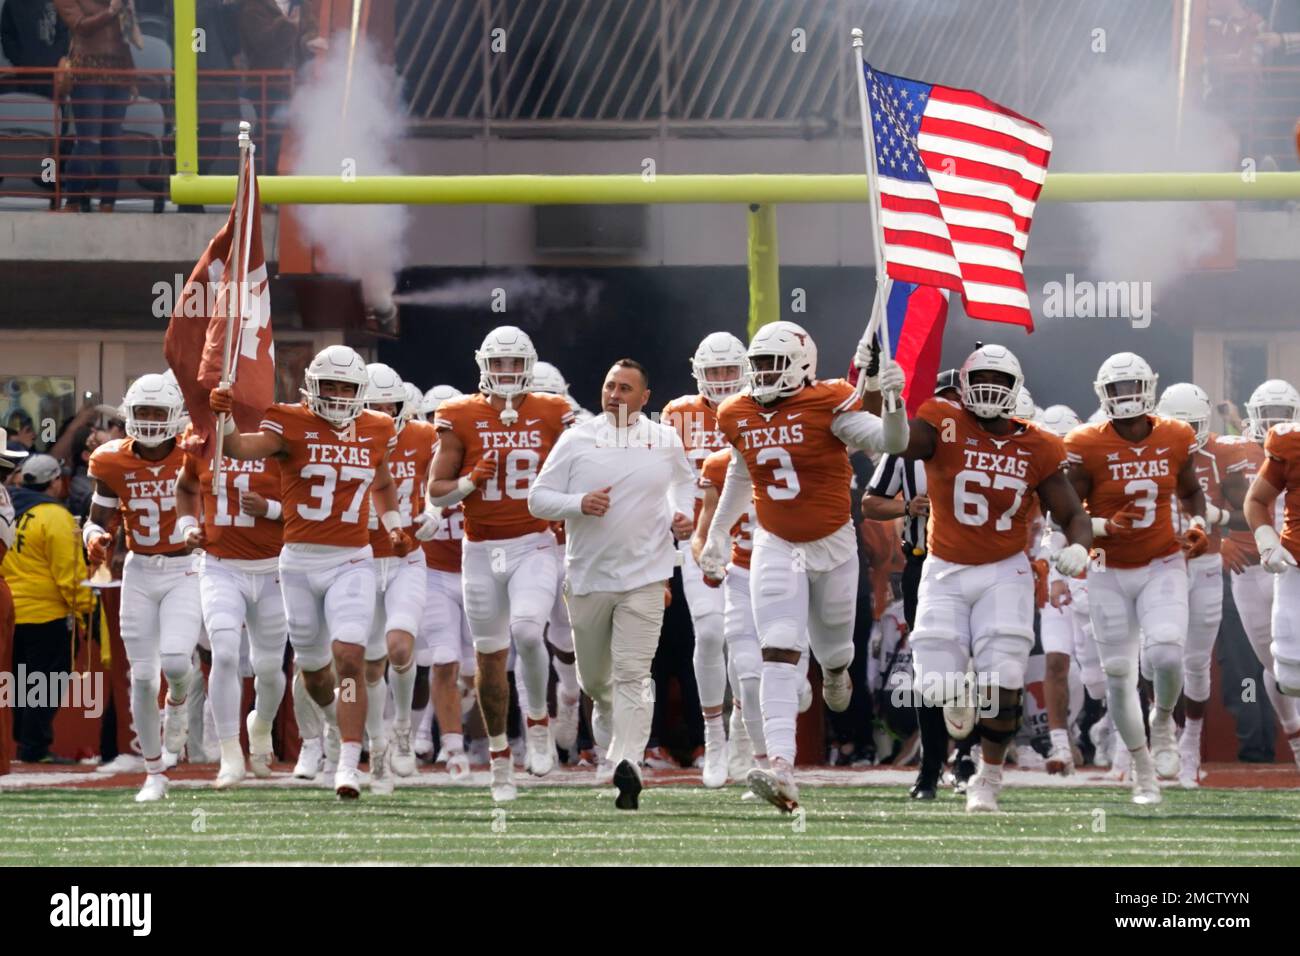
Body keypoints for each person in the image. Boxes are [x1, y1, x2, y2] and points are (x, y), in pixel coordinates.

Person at [699, 320, 908, 812]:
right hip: (775, 543)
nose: (765, 374)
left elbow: (890, 443)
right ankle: (782, 769)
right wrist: (717, 532)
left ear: (801, 364)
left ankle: (836, 670)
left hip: (834, 546)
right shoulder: (738, 411)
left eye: (775, 363)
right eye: (760, 364)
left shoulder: (828, 402)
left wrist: (892, 400)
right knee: (778, 650)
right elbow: (740, 469)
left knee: (835, 651)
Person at [209, 344, 411, 800]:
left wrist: (394, 524)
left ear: (361, 392)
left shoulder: (378, 426)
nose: (339, 395)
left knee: (351, 658)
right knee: (315, 672)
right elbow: (240, 448)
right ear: (312, 389)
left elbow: (380, 481)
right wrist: (222, 418)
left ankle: (348, 763)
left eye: (347, 387)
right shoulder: (290, 421)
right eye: (331, 386)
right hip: (299, 559)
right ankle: (334, 731)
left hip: (352, 559)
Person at [896, 346, 1093, 813]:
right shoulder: (943, 421)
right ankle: (961, 687)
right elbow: (898, 441)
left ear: (1016, 388)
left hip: (1005, 569)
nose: (989, 387)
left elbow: (1071, 512)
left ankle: (988, 777)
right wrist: (885, 400)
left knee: (1004, 678)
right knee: (935, 684)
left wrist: (1081, 546)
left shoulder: (1039, 444)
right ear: (962, 385)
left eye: (999, 379)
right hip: (943, 567)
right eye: (979, 377)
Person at [529, 358, 697, 810]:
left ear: (645, 398)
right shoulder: (575, 438)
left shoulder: (664, 439)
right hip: (587, 577)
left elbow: (685, 484)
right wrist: (578, 503)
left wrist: (685, 516)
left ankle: (629, 762)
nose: (614, 394)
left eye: (625, 388)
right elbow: (537, 500)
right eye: (609, 386)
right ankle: (612, 745)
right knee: (597, 683)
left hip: (645, 575)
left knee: (632, 674)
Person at [424, 326, 572, 801]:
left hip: (534, 543)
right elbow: (436, 490)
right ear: (483, 366)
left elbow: (583, 465)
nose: (507, 373)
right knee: (489, 660)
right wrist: (470, 482)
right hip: (481, 549)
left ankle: (539, 723)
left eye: (515, 363)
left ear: (529, 366)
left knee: (529, 631)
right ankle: (500, 755)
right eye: (499, 363)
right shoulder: (458, 415)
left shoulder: (554, 412)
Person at [1065, 352, 1207, 805]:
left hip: (1162, 561)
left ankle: (1163, 718)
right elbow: (1069, 513)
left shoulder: (1175, 434)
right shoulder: (1084, 443)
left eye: (1132, 388)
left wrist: (1198, 524)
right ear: (1102, 394)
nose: (1125, 398)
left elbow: (1190, 491)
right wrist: (1102, 528)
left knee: (1166, 653)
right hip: (1107, 569)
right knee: (1121, 673)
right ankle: (1143, 771)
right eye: (1117, 390)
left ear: (1149, 389)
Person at [84, 373, 199, 802]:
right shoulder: (112, 459)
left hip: (186, 568)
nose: (150, 421)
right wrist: (93, 539)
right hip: (139, 569)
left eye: (158, 413)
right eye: (143, 413)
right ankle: (154, 773)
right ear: (129, 415)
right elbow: (96, 517)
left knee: (173, 662)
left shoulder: (194, 452)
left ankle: (181, 701)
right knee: (143, 677)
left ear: (175, 417)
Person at [861, 368, 959, 799]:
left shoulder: (989, 443)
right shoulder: (907, 449)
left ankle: (970, 755)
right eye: (944, 401)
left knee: (982, 665)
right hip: (925, 563)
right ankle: (931, 766)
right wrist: (906, 505)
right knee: (931, 669)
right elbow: (870, 503)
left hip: (980, 566)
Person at [173, 420, 286, 789]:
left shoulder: (278, 436)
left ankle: (262, 725)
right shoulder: (203, 438)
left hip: (272, 567)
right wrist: (188, 526)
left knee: (267, 668)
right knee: (222, 654)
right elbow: (186, 486)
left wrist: (270, 509)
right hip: (220, 565)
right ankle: (230, 752)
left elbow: (313, 507)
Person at [660, 332, 749, 787]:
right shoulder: (678, 413)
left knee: (746, 644)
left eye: (728, 371)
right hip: (699, 543)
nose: (720, 381)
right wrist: (670, 514)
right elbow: (664, 475)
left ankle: (740, 731)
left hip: (754, 541)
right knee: (712, 634)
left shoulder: (759, 406)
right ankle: (714, 737)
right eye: (712, 372)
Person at [1156, 382, 1252, 787]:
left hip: (1206, 564)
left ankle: (1190, 742)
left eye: (1193, 424)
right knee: (1159, 655)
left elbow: (1249, 512)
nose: (1186, 432)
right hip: (1159, 565)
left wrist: (1218, 520)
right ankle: (1159, 729)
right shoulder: (1143, 448)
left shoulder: (1222, 453)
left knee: (1195, 661)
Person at [357, 366, 433, 791]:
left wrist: (434, 515)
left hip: (407, 559)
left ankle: (402, 727)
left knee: (401, 648)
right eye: (373, 407)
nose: (383, 413)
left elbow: (441, 481)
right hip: (361, 559)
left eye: (390, 406)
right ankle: (376, 743)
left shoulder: (423, 437)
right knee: (369, 664)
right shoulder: (344, 438)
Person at [3, 454, 92, 763]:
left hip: (12, 613)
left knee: (18, 682)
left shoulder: (9, 509)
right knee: (48, 682)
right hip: (47, 614)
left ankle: (24, 742)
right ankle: (35, 747)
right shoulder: (56, 517)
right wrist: (87, 610)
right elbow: (70, 575)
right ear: (54, 482)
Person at [515, 362, 583, 754]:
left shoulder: (580, 427)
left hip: (570, 544)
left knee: (566, 636)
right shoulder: (503, 430)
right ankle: (533, 732)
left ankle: (570, 697)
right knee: (527, 634)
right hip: (526, 543)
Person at [412, 384, 473, 777]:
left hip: (475, 571)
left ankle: (484, 740)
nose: (439, 433)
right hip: (432, 572)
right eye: (432, 423)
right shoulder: (412, 459)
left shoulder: (473, 454)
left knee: (478, 669)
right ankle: (449, 746)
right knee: (441, 660)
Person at [1238, 380, 1300, 757]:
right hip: (1276, 563)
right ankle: (1295, 737)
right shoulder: (1286, 443)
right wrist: (1263, 539)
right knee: (1285, 672)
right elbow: (1255, 500)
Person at [54, 0, 142, 212]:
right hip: (86, 75)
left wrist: (131, 77)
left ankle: (108, 203)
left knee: (112, 142)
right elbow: (80, 26)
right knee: (88, 141)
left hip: (118, 74)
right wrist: (111, 11)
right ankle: (73, 201)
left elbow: (125, 40)